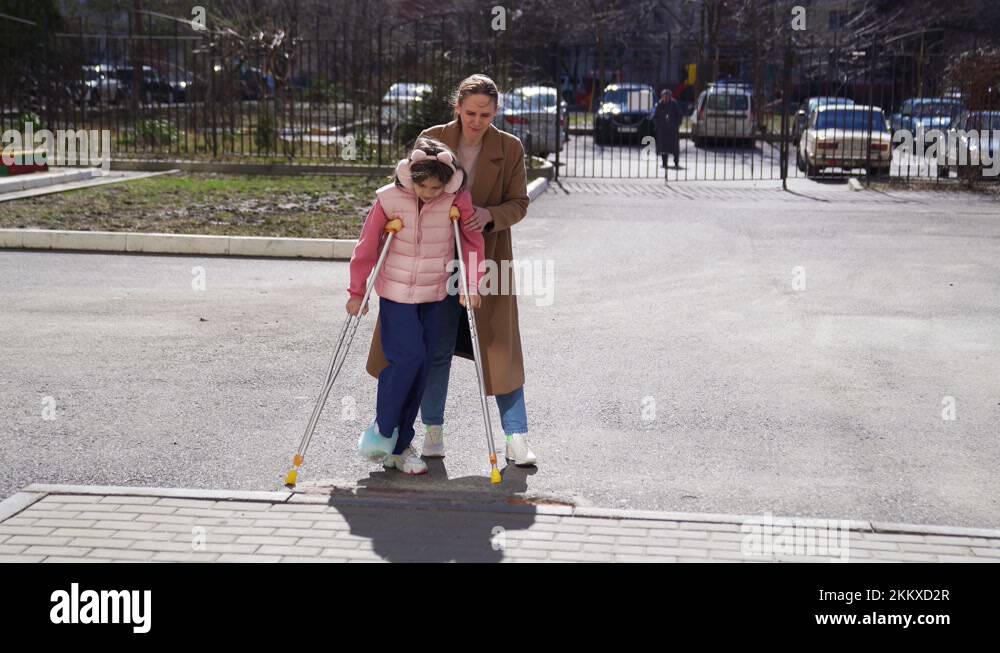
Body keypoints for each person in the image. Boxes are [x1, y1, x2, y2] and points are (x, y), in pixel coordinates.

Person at [365, 73, 538, 467]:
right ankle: (433, 432)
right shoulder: (432, 136)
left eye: (487, 114)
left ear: (496, 112)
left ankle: (516, 437)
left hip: (487, 255)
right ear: (457, 107)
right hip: (434, 259)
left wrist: (487, 215)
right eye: (472, 112)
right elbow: (410, 187)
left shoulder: (509, 147)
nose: (478, 121)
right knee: (435, 349)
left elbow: (520, 203)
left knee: (499, 347)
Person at [350, 137, 485, 475]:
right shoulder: (389, 199)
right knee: (406, 358)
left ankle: (399, 447)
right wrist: (357, 291)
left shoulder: (457, 200)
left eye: (437, 187)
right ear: (412, 177)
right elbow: (367, 246)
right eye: (423, 186)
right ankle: (383, 430)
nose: (430, 193)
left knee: (422, 366)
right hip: (396, 294)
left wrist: (471, 284)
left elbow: (471, 243)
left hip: (435, 294)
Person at [654, 88, 683, 169]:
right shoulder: (660, 104)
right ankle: (664, 163)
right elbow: (655, 116)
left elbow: (680, 115)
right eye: (664, 96)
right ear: (662, 97)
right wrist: (658, 125)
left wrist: (676, 124)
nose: (666, 98)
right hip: (663, 130)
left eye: (667, 96)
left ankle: (676, 162)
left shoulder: (674, 104)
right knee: (663, 147)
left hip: (672, 130)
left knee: (675, 148)